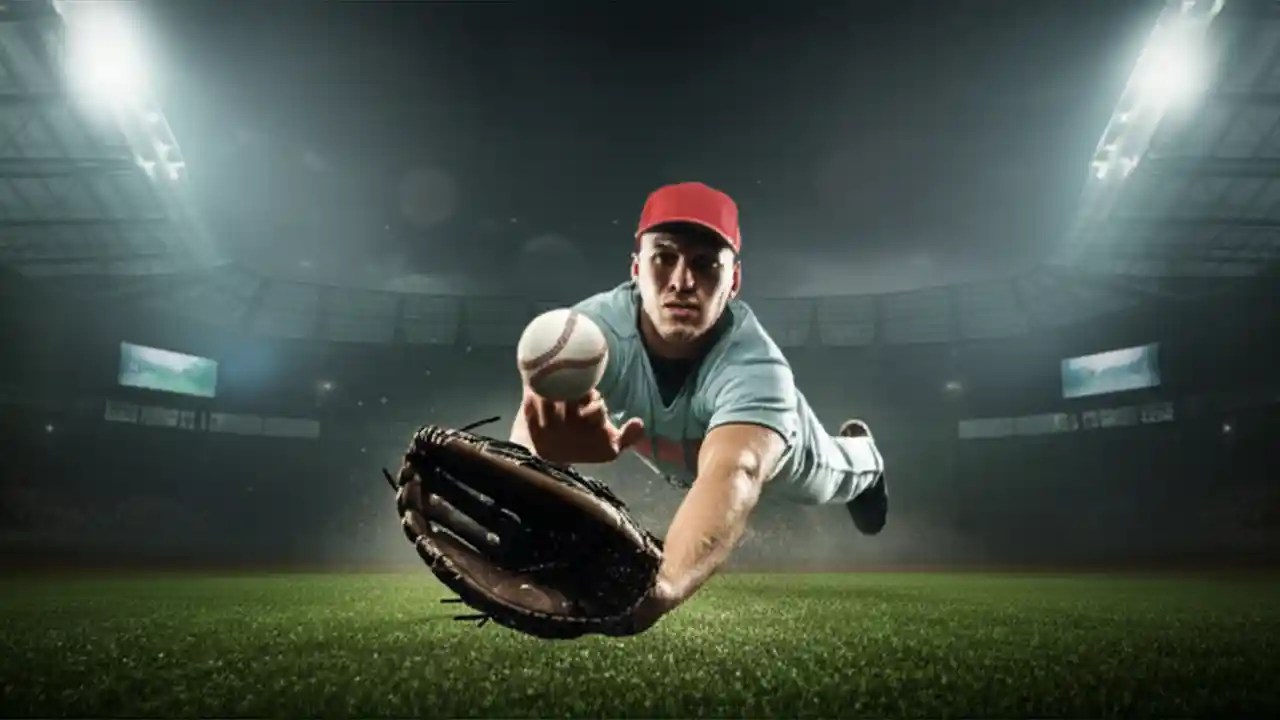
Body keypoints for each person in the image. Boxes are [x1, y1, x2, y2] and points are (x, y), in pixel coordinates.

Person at [508, 181, 887, 634]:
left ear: (734, 283)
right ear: (636, 269)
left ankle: (866, 458)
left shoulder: (756, 368)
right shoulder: (584, 340)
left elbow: (734, 473)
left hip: (783, 456)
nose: (682, 281)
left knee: (830, 480)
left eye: (706, 264)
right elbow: (526, 451)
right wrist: (539, 472)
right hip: (686, 460)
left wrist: (658, 590)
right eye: (664, 257)